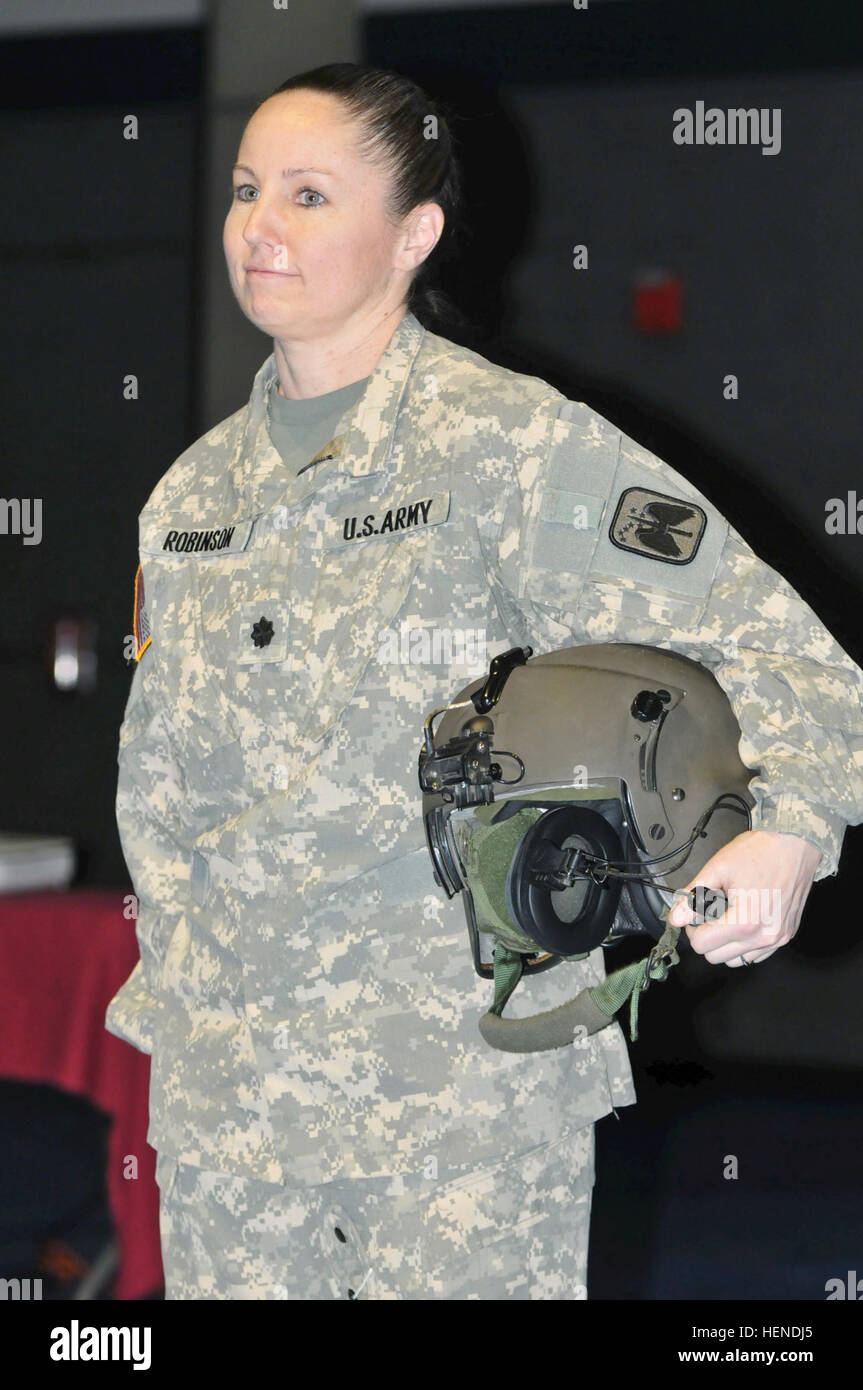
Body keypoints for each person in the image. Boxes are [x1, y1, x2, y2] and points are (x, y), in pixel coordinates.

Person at [104, 61, 863, 1300]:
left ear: (414, 234)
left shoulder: (508, 448)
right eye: (247, 190)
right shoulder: (191, 497)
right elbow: (159, 791)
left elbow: (786, 656)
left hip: (452, 1106)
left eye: (307, 195)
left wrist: (790, 825)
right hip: (232, 1108)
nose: (259, 226)